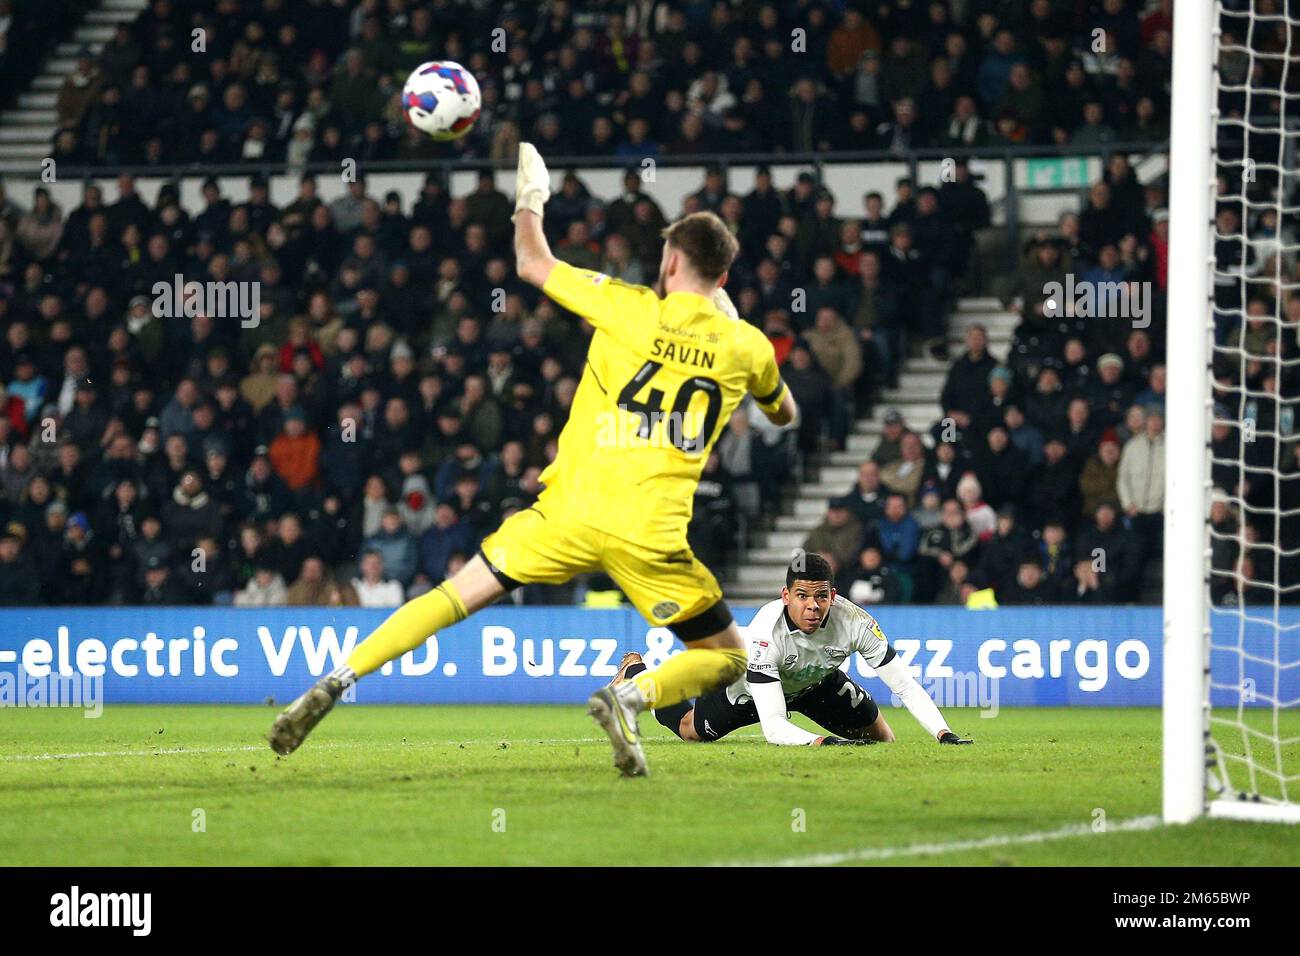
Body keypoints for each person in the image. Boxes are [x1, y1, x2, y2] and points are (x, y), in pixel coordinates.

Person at [270, 144, 799, 777]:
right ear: (724, 274)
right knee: (728, 658)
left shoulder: (627, 305)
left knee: (454, 594)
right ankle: (630, 695)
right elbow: (785, 413)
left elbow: (530, 261)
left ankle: (338, 678)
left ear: (672, 259)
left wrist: (532, 197)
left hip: (567, 515)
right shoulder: (748, 347)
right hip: (649, 535)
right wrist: (733, 327)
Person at [611, 554, 972, 747]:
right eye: (802, 596)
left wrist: (943, 733)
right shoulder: (766, 635)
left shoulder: (856, 622)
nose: (812, 606)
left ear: (833, 596)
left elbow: (904, 686)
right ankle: (637, 674)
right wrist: (822, 742)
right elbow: (773, 726)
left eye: (820, 596)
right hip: (748, 692)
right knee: (691, 730)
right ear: (787, 597)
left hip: (815, 683)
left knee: (882, 739)